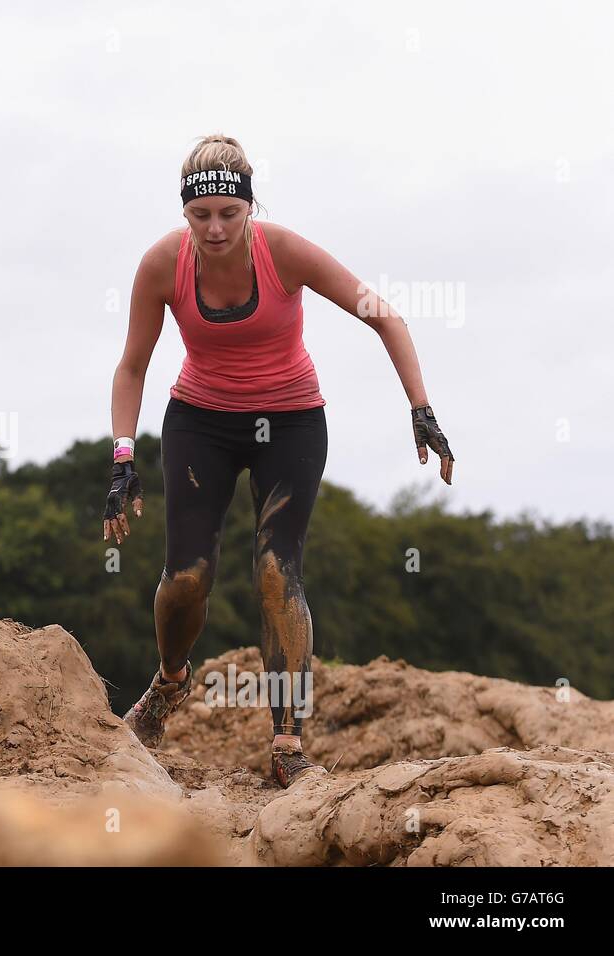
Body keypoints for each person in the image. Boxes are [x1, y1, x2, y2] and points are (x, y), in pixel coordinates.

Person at [104, 135, 455, 788]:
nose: (214, 229)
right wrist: (122, 457)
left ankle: (287, 743)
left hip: (290, 420)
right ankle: (168, 683)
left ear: (248, 207)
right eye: (200, 216)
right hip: (200, 421)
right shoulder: (162, 265)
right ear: (185, 213)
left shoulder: (283, 252)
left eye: (228, 215)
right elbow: (132, 366)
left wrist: (421, 407)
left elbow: (384, 316)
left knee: (275, 569)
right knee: (186, 577)